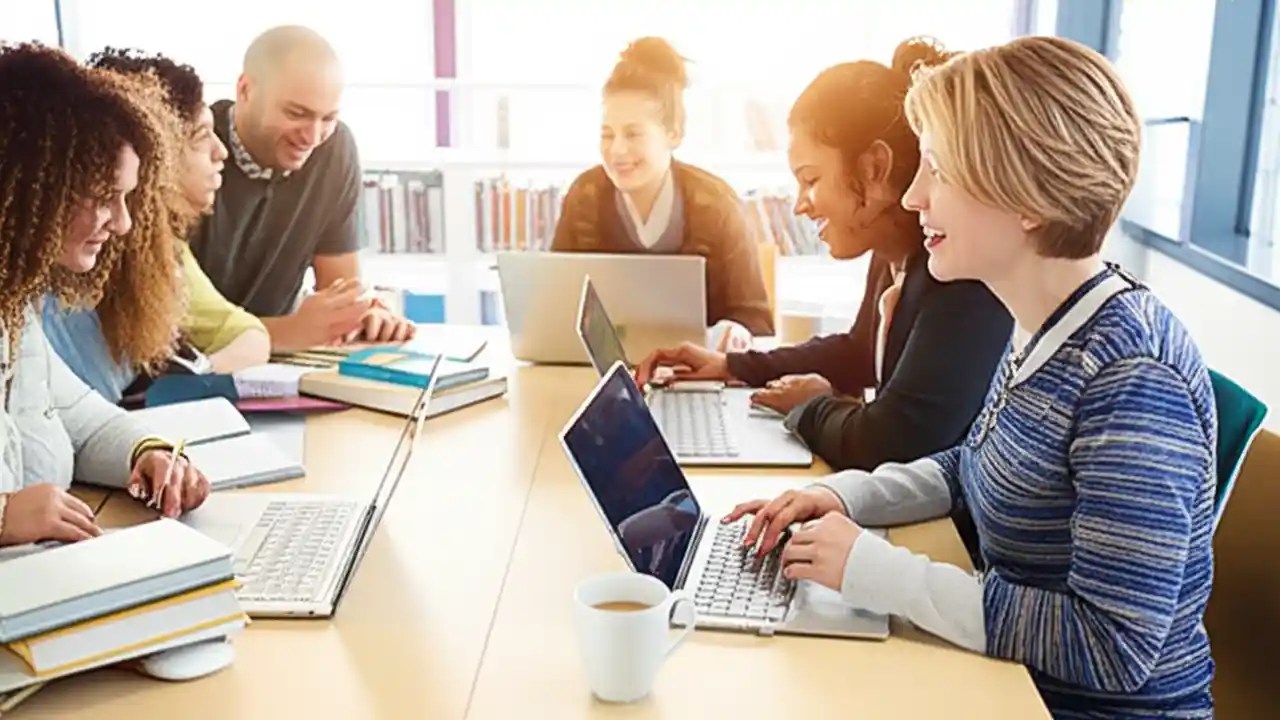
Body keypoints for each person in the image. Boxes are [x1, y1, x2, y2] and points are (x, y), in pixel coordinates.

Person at [730, 36, 1216, 718]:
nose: (913, 194)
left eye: (939, 169)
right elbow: (973, 466)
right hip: (1009, 684)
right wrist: (846, 499)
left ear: (1027, 198)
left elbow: (1114, 645)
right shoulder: (1044, 324)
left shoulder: (1131, 377)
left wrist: (878, 573)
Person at [636, 38, 1011, 476]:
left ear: (874, 169)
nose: (800, 205)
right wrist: (732, 365)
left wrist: (812, 408)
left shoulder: (956, 276)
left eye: (810, 179)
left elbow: (890, 441)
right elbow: (858, 351)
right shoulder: (894, 250)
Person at [0, 43, 211, 545]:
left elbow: (81, 419)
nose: (122, 222)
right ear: (29, 188)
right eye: (102, 199)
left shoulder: (14, 309)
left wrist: (150, 453)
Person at [42, 48, 272, 403]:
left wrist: (190, 380)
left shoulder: (159, 256)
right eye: (199, 137)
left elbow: (246, 334)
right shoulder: (57, 281)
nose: (221, 152)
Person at [188, 25, 415, 351]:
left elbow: (338, 289)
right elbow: (165, 325)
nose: (312, 137)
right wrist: (291, 330)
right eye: (297, 113)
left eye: (328, 118)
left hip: (278, 364)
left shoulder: (334, 149)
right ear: (246, 90)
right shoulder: (193, 149)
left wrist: (362, 314)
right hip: (189, 371)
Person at [552, 36, 774, 337]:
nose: (617, 150)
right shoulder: (583, 196)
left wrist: (734, 332)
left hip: (697, 375)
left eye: (633, 134)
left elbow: (757, 321)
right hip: (604, 374)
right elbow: (554, 306)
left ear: (674, 133)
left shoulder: (718, 203)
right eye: (607, 134)